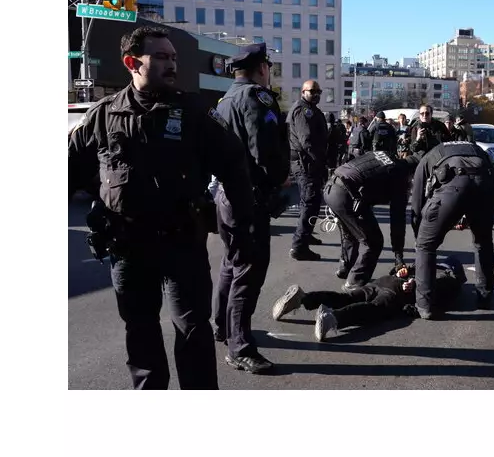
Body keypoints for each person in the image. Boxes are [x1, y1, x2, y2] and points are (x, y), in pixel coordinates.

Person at [68, 26, 257, 389]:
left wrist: (242, 227)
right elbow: (72, 169)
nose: (173, 64)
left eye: (174, 57)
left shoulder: (192, 112)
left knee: (193, 330)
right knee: (140, 332)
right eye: (162, 57)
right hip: (128, 247)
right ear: (131, 62)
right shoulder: (103, 115)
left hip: (181, 242)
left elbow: (234, 166)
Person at [213, 42, 290, 374]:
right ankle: (240, 346)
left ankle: (221, 326)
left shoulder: (225, 99)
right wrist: (276, 183)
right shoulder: (257, 98)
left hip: (226, 195)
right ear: (262, 68)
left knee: (232, 265)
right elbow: (264, 149)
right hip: (249, 195)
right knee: (249, 271)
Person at [410, 141, 494, 317]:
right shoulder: (474, 148)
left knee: (425, 246)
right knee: (483, 241)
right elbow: (492, 178)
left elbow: (417, 202)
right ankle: (485, 297)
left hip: (452, 190)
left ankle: (424, 305)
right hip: (486, 189)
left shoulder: (430, 155)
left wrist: (419, 234)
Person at [271, 259, 467, 341]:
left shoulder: (424, 259)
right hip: (399, 292)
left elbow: (400, 268)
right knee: (374, 309)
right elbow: (433, 294)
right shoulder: (450, 279)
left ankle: (305, 298)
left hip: (384, 281)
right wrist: (414, 294)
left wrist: (401, 270)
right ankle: (334, 318)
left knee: (345, 296)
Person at [324, 150, 420, 291]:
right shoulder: (400, 177)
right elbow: (397, 221)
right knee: (373, 241)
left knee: (350, 233)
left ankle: (345, 268)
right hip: (347, 195)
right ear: (412, 174)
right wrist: (398, 257)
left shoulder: (386, 155)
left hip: (331, 186)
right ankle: (354, 284)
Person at [287, 80, 329, 261]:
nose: (316, 94)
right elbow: (307, 141)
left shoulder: (310, 109)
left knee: (311, 202)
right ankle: (299, 246)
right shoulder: (303, 110)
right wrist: (320, 162)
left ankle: (306, 234)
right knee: (310, 203)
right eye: (312, 91)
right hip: (307, 163)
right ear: (303, 92)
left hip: (310, 163)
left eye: (319, 91)